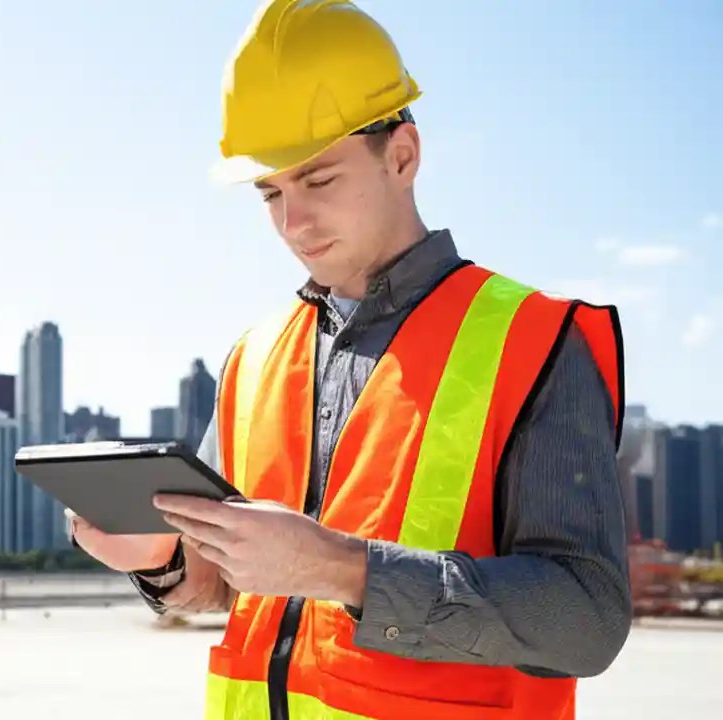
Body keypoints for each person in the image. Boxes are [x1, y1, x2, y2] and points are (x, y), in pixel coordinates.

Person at [66, 1, 631, 718]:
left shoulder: (537, 341)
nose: (292, 223)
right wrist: (159, 561)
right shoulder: (255, 358)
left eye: (319, 180)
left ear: (402, 154)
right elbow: (228, 586)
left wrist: (340, 569)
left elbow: (587, 621)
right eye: (270, 192)